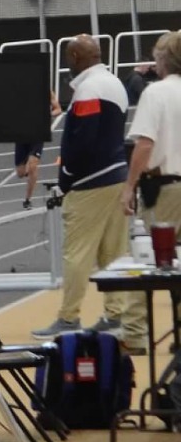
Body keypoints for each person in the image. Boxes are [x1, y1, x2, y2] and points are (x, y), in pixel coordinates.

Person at [33, 35, 144, 348]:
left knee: (77, 252)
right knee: (113, 252)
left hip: (90, 181)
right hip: (117, 175)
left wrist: (65, 179)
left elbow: (82, 142)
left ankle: (69, 317)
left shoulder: (88, 89)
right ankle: (115, 315)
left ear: (75, 56)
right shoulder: (112, 83)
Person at [123, 31, 181, 232]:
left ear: (164, 60)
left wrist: (129, 186)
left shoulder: (156, 93)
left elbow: (145, 144)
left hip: (165, 189)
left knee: (160, 255)